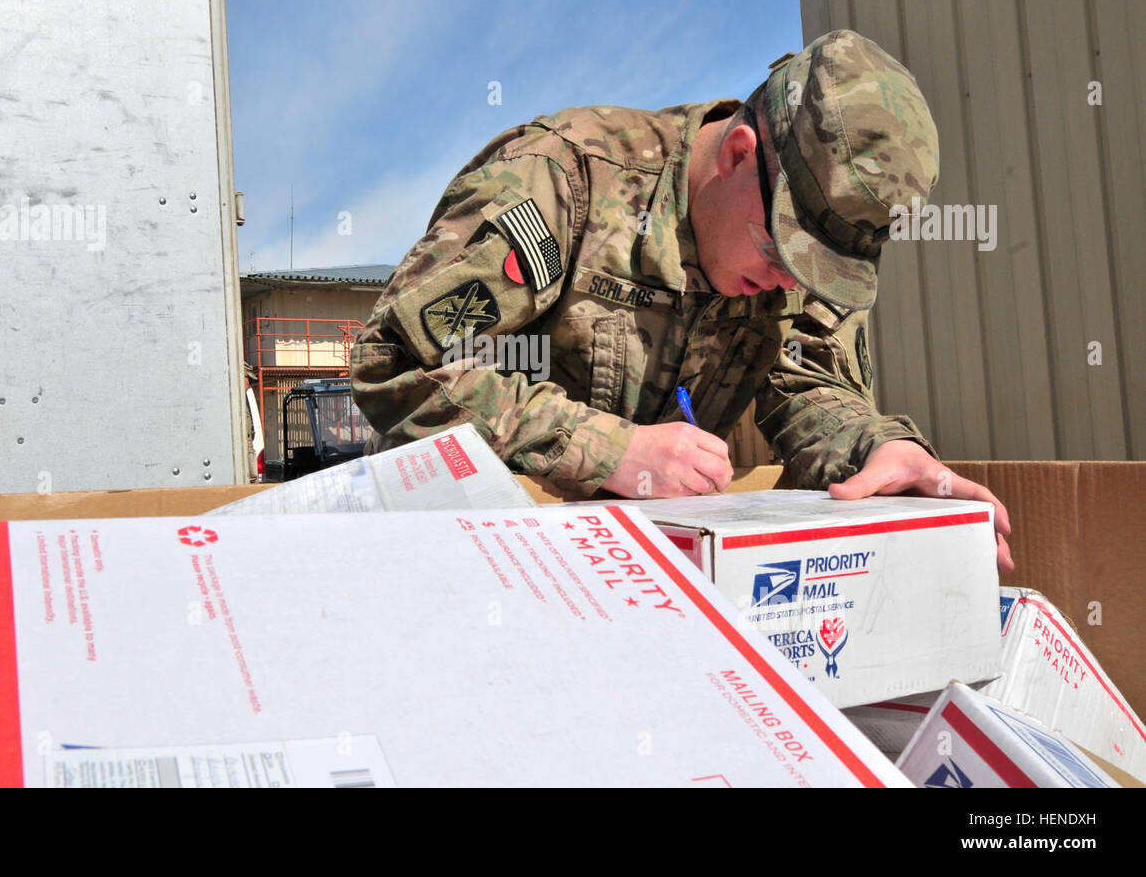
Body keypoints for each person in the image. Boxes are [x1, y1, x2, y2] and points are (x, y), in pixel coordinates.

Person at [351, 29, 1013, 570]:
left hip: (636, 589)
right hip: (471, 570)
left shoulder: (809, 241)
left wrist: (875, 449)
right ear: (737, 153)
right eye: (781, 249)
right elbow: (396, 361)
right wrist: (611, 450)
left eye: (815, 273)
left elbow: (810, 384)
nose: (790, 283)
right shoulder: (564, 181)